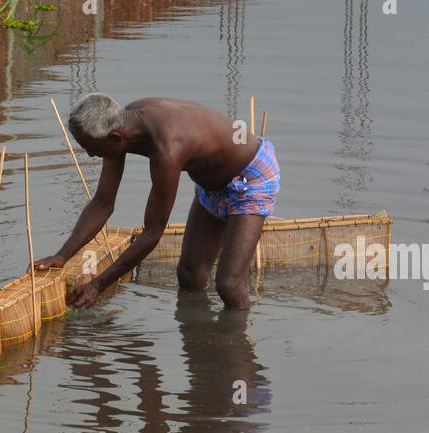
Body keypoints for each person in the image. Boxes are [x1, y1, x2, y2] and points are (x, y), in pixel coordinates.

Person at [34, 93, 280, 309]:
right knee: (189, 276)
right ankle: (199, 348)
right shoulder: (120, 123)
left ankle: (238, 348)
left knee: (228, 284)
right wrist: (62, 256)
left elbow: (152, 233)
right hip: (211, 184)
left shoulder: (168, 149)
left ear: (116, 139)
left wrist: (97, 285)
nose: (90, 155)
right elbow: (102, 203)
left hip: (251, 176)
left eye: (93, 149)